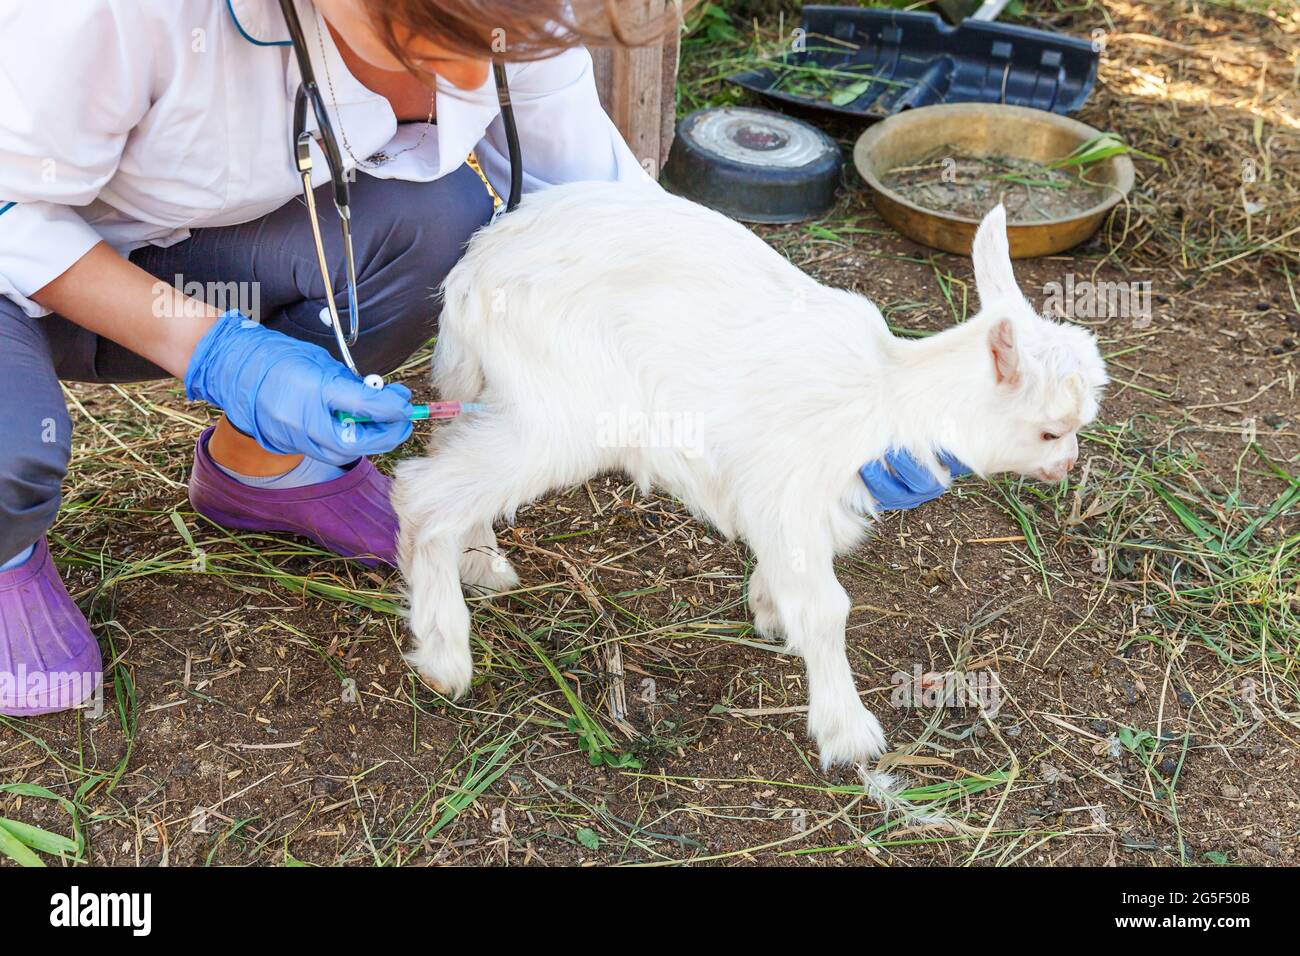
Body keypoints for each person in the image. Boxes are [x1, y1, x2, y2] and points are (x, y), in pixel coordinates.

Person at [0, 0, 956, 717]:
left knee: (433, 229)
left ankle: (264, 472)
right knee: (15, 447)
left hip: (168, 238)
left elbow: (613, 216)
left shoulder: (511, 15)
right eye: (433, 45)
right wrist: (218, 350)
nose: (469, 74)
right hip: (18, 240)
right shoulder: (114, 14)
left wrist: (816, 377)